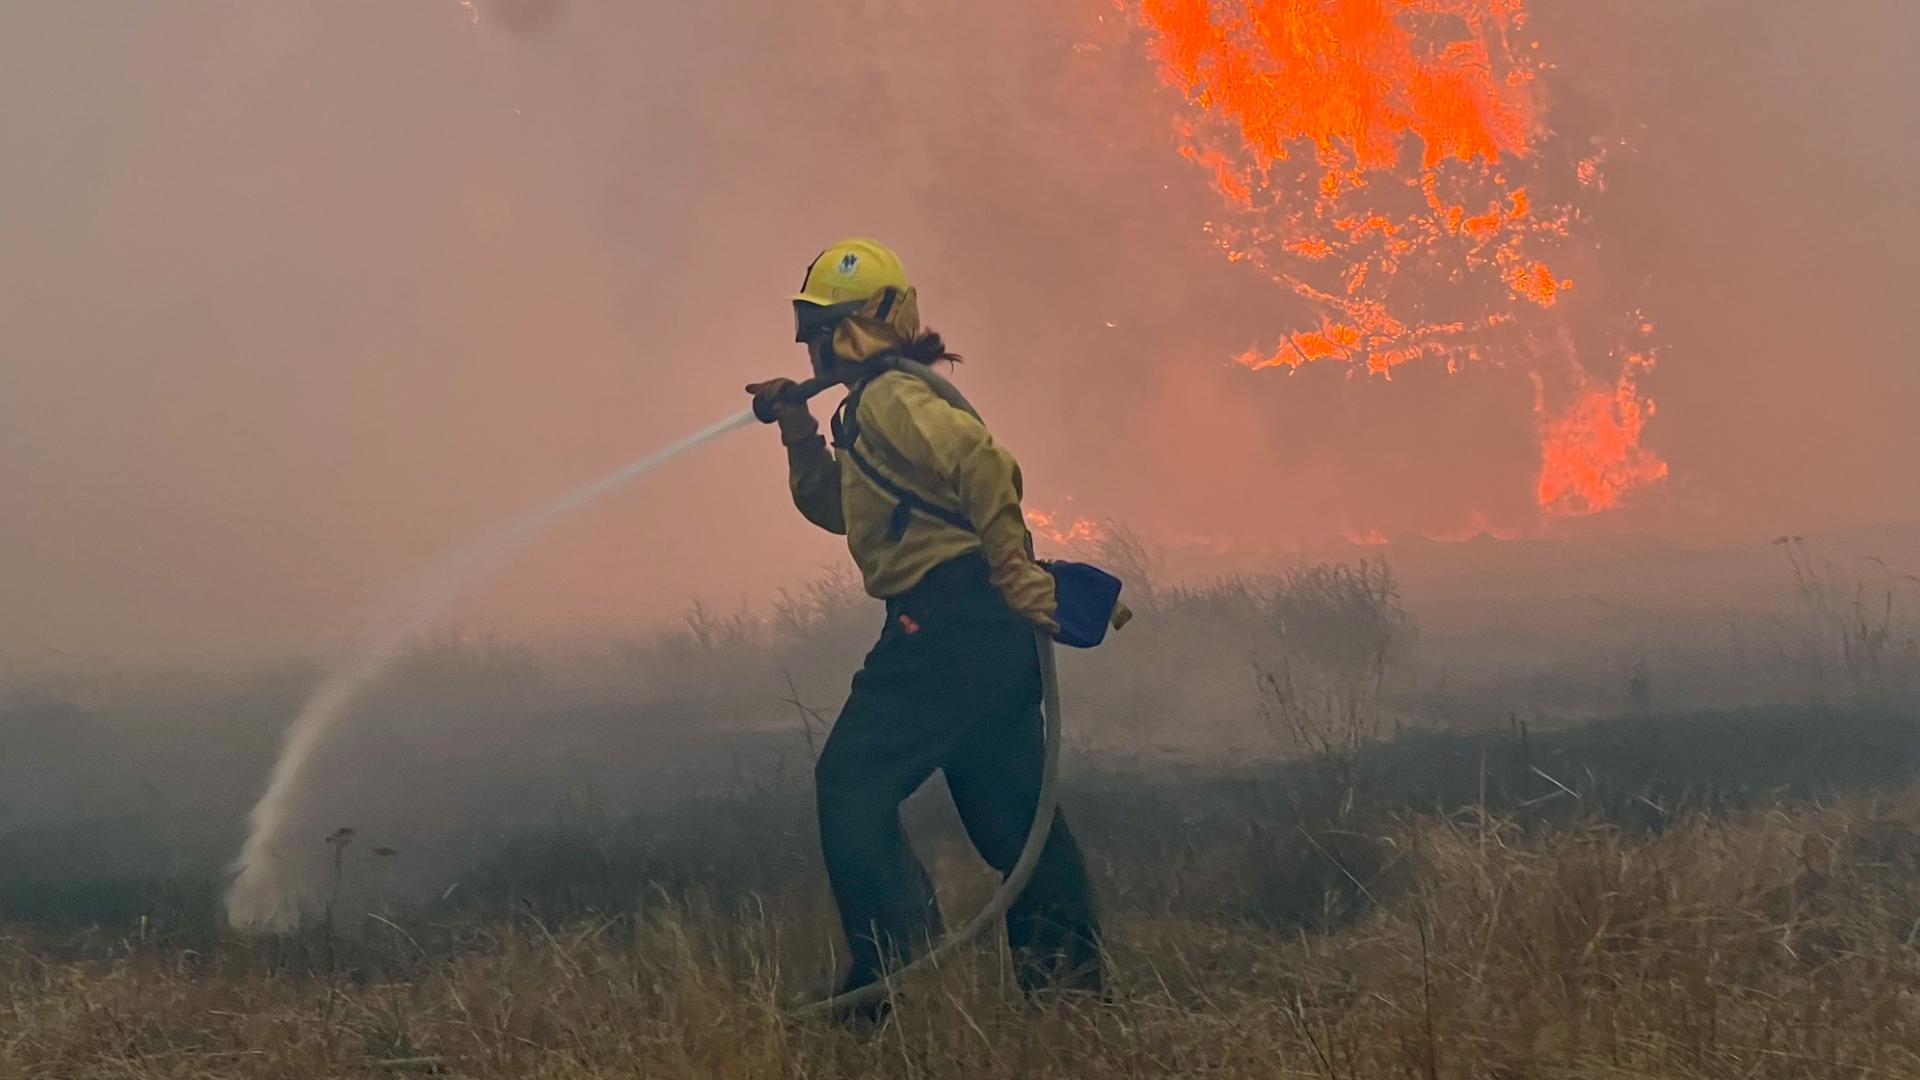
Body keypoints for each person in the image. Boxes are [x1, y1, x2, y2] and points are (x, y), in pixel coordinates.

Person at [747, 238, 1105, 1015]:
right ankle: (1071, 994)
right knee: (1010, 812)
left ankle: (887, 970)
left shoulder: (891, 400)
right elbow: (841, 510)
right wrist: (800, 432)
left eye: (825, 330)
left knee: (851, 783)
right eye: (808, 334)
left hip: (946, 625)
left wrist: (1014, 570)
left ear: (868, 324)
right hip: (980, 633)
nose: (814, 347)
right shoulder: (865, 410)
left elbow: (985, 464)